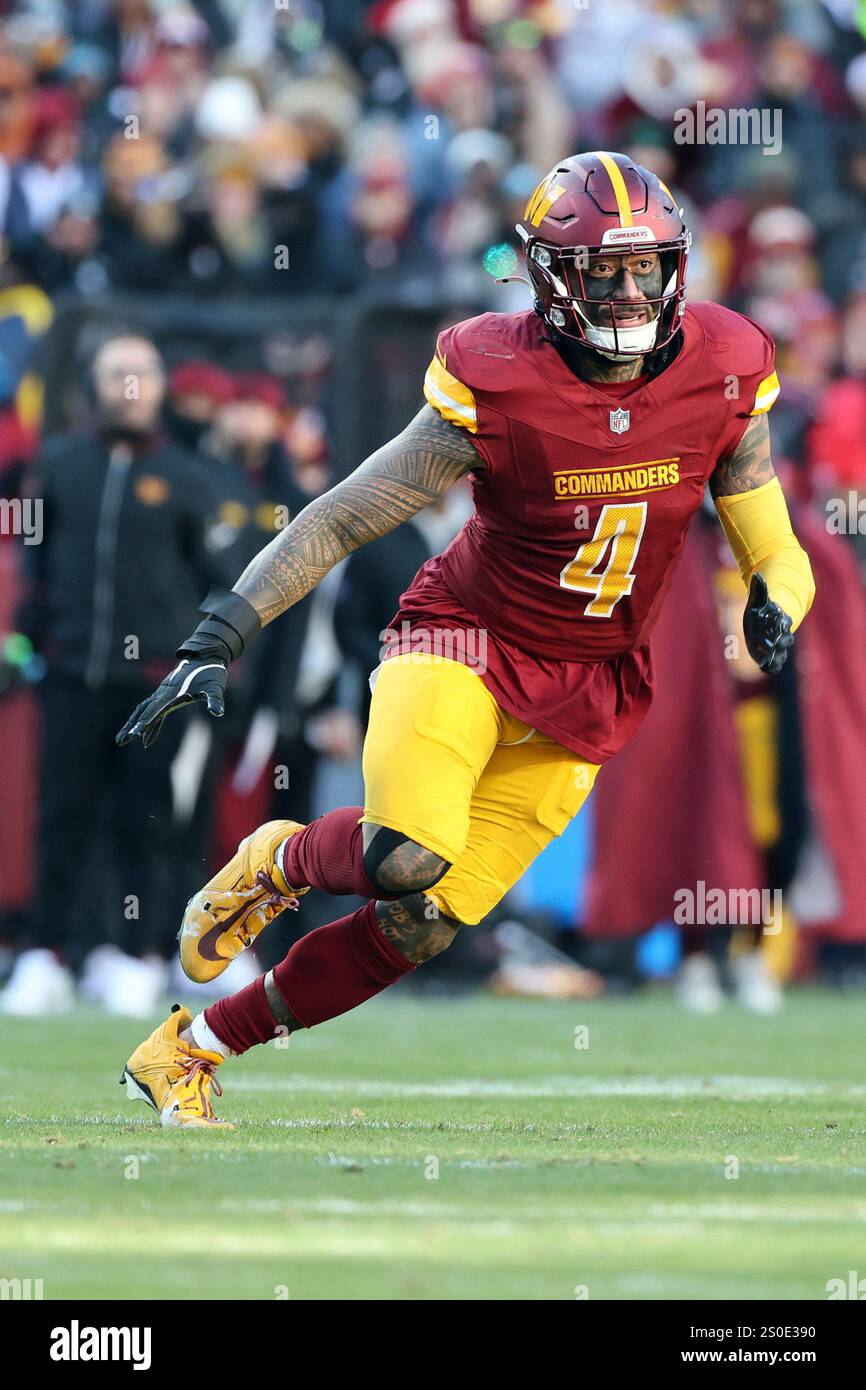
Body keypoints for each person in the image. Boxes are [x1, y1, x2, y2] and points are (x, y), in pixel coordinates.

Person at [114, 153, 815, 1127]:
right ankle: (276, 863)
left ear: (676, 267)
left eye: (644, 267)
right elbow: (339, 516)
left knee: (421, 924)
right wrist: (217, 633)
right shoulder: (498, 375)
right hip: (464, 640)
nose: (625, 289)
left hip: (595, 680)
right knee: (406, 855)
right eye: (599, 270)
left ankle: (189, 1049)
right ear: (544, 275)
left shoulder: (723, 364)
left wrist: (777, 599)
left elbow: (772, 538)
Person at [2, 331, 232, 1017]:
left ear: (160, 386)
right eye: (115, 373)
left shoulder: (193, 480)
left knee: (150, 822)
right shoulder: (61, 466)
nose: (128, 386)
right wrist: (23, 647)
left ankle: (138, 956)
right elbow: (37, 571)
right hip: (72, 674)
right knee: (61, 819)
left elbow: (219, 585)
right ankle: (48, 955)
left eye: (141, 373)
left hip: (156, 683)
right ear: (94, 385)